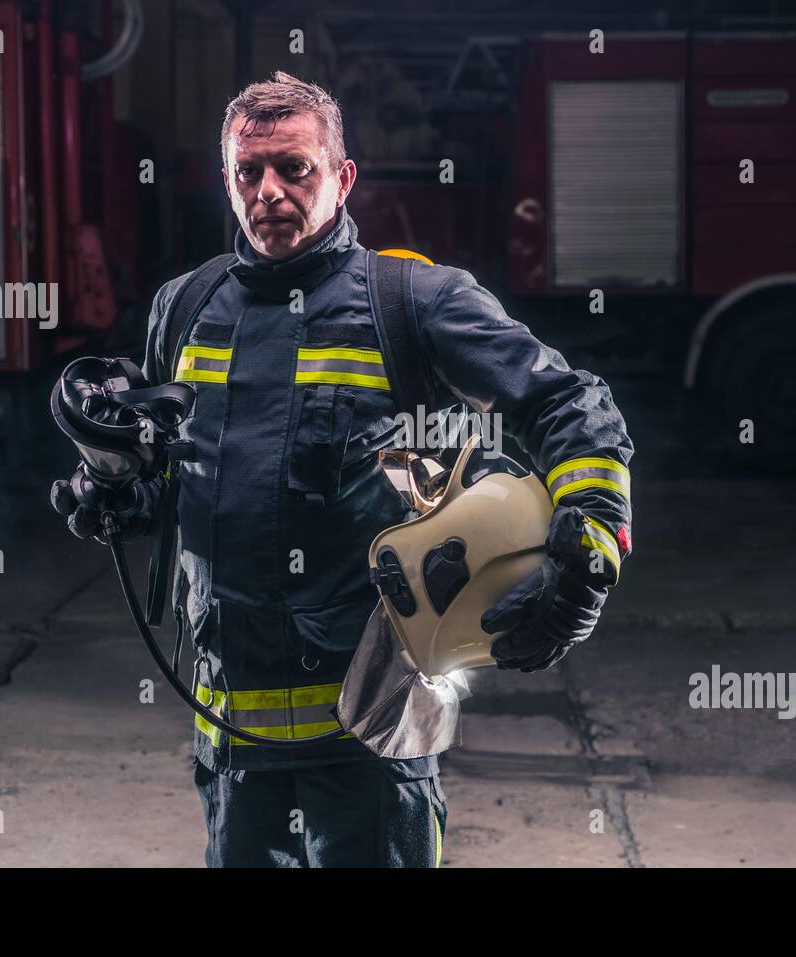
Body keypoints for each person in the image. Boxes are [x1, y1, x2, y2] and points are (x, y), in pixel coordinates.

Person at [51, 71, 633, 868]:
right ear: (226, 181)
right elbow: (186, 477)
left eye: (295, 168)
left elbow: (569, 401)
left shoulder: (411, 300)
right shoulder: (182, 309)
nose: (269, 191)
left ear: (342, 177)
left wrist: (590, 545)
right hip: (231, 739)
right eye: (248, 172)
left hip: (374, 739)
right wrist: (122, 494)